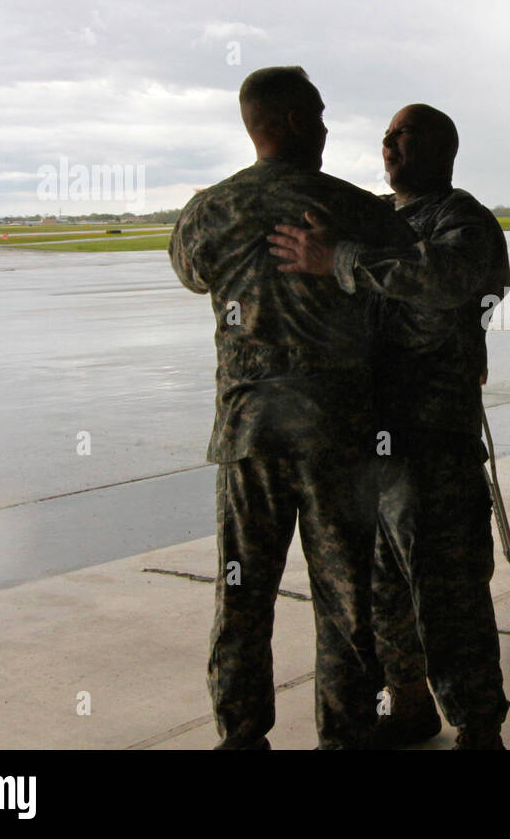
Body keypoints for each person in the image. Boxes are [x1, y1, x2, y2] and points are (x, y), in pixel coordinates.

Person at [169, 66, 418, 749]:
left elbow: (191, 272)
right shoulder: (358, 209)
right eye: (318, 113)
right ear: (287, 122)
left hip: (250, 438)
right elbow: (404, 288)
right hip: (338, 434)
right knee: (346, 601)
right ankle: (347, 734)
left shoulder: (210, 211)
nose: (329, 126)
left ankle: (241, 737)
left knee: (243, 598)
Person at [268, 103, 510, 748]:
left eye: (404, 134)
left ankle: (479, 724)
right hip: (365, 438)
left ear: (442, 148)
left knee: (447, 590)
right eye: (386, 135)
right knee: (380, 586)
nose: (388, 143)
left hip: (432, 434)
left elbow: (442, 282)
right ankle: (408, 701)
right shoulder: (380, 217)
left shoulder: (463, 221)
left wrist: (342, 259)